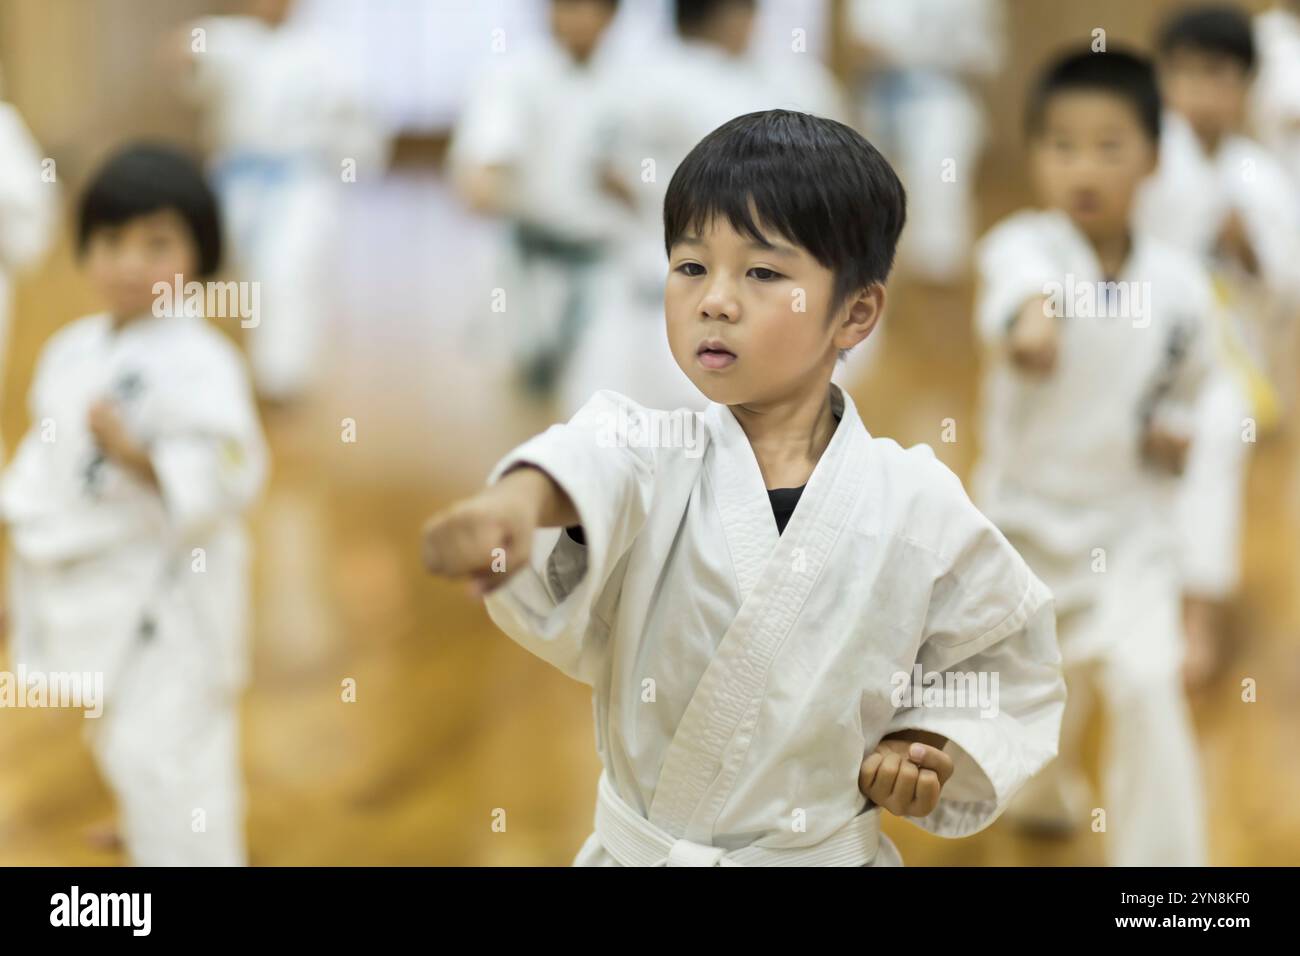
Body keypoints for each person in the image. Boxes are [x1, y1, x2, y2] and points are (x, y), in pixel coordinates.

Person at [423, 110, 1065, 867]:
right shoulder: (655, 449)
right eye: (691, 266)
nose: (715, 300)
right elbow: (590, 460)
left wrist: (924, 741)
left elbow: (1001, 658)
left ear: (855, 312)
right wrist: (514, 504)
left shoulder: (914, 498)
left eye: (762, 273)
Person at [974, 49, 1215, 865]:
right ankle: (1041, 792)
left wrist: (1176, 430)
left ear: (1152, 156)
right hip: (1022, 528)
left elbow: (1192, 385)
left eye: (1109, 146)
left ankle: (1168, 882)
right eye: (1062, 145)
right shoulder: (1022, 249)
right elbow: (1021, 310)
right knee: (1043, 694)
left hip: (1128, 529)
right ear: (1035, 153)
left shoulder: (1180, 285)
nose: (1084, 167)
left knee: (1147, 686)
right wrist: (1034, 328)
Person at [1, 144, 268, 865]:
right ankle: (156, 835)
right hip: (100, 590)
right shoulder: (69, 351)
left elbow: (233, 471)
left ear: (199, 254)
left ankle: (186, 849)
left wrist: (140, 457)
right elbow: (43, 472)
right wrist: (17, 579)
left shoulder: (203, 362)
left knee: (175, 757)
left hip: (178, 601)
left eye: (157, 243)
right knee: (126, 744)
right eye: (112, 241)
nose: (128, 263)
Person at [1135, 5, 1300, 686]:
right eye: (1191, 74)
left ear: (1247, 87)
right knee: (1136, 476)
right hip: (1138, 349)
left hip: (1222, 357)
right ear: (1165, 79)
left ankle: (1198, 615)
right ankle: (1140, 603)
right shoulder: (1142, 157)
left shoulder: (1258, 176)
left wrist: (1248, 249)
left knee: (1214, 456)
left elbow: (1287, 287)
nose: (1206, 92)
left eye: (1223, 76)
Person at [180, 0, 387, 402]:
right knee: (203, 270)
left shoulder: (330, 53)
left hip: (300, 183)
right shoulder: (227, 39)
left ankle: (281, 376)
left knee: (289, 270)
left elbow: (360, 129)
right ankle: (188, 365)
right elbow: (194, 57)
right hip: (234, 179)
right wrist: (185, 55)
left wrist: (349, 158)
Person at [448, 0, 633, 400]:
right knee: (527, 392)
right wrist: (484, 175)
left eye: (589, 7)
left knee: (595, 395)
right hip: (531, 259)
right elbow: (487, 157)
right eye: (564, 5)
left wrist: (633, 183)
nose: (575, 17)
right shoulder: (515, 75)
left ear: (612, 14)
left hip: (604, 260)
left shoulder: (632, 80)